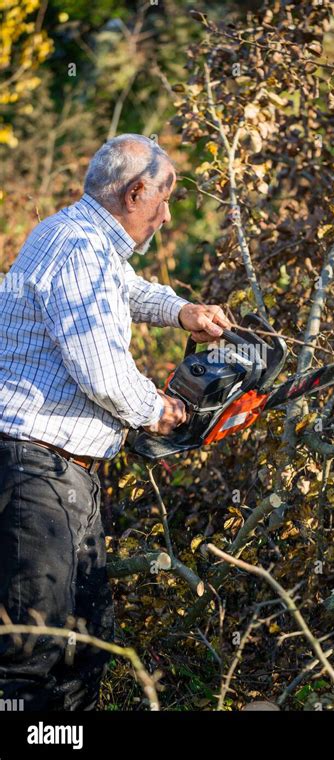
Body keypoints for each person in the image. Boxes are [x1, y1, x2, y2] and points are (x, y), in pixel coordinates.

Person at [0, 133, 230, 710]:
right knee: (33, 653)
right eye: (165, 199)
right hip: (36, 473)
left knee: (84, 646)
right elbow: (102, 371)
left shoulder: (77, 238)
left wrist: (181, 311)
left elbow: (124, 291)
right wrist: (158, 410)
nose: (168, 214)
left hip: (59, 474)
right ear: (135, 192)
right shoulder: (79, 249)